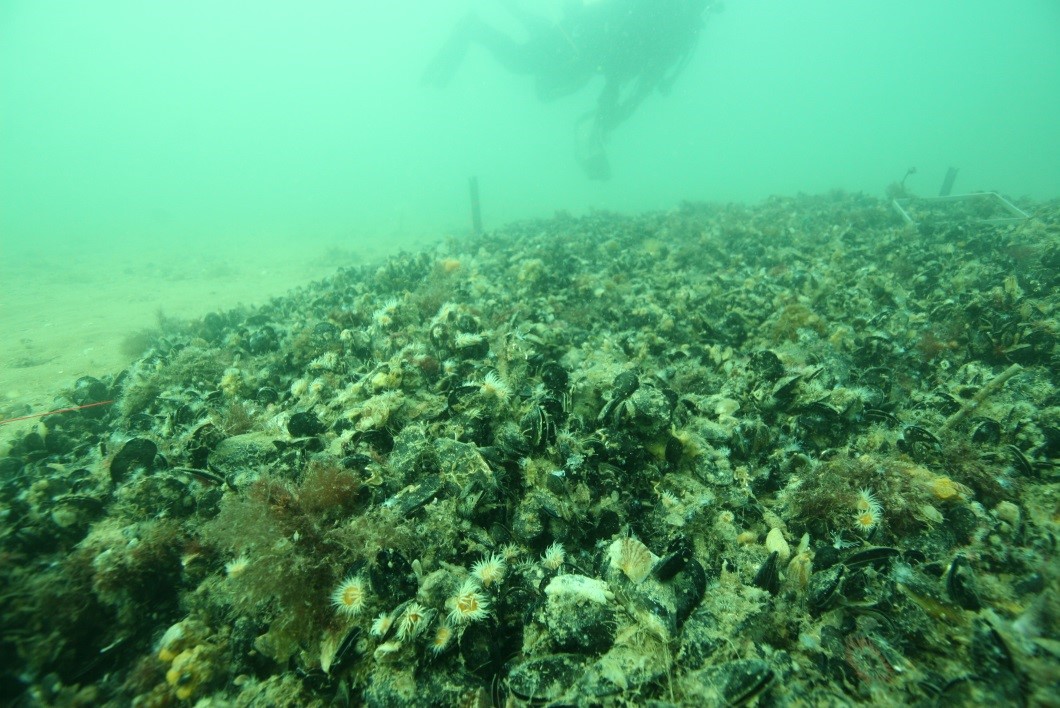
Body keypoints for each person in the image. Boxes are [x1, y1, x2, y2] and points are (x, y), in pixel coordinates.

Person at [422, 0, 713, 180]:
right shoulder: (676, 22)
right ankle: (473, 27)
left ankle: (506, 14)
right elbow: (637, 69)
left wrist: (608, 113)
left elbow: (630, 67)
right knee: (525, 64)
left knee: (541, 74)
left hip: (584, 45)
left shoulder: (677, 23)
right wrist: (609, 115)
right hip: (582, 44)